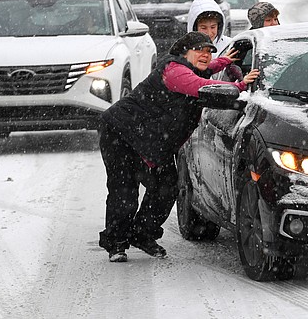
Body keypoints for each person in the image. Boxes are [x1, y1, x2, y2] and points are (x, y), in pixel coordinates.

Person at [98, 31, 259, 263]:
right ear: (184, 52)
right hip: (122, 132)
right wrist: (240, 85)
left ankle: (142, 234)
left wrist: (223, 61)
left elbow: (204, 70)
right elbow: (202, 85)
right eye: (199, 50)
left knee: (166, 187)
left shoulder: (189, 68)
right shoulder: (174, 70)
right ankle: (116, 243)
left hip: (152, 141)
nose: (205, 54)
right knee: (124, 190)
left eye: (209, 51)